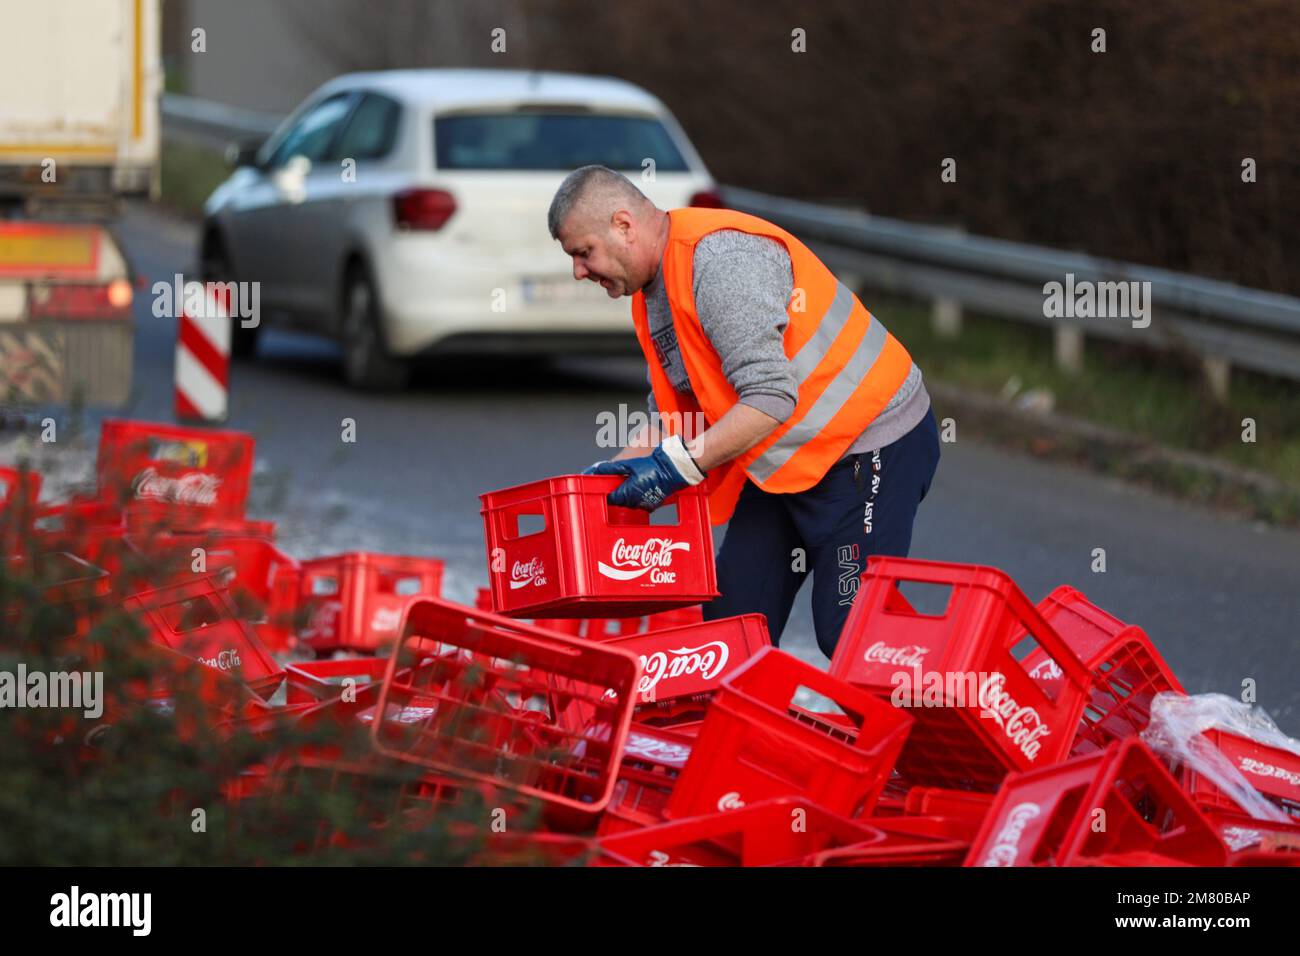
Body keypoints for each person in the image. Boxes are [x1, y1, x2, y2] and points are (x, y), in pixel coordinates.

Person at [548, 165, 940, 659]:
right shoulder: (654, 291)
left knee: (850, 634)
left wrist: (674, 469)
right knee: (732, 625)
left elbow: (770, 397)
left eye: (583, 253)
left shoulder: (720, 263)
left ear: (624, 225)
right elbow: (675, 408)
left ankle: (964, 704)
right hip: (787, 459)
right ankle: (751, 735)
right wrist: (605, 482)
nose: (579, 271)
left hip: (868, 445)